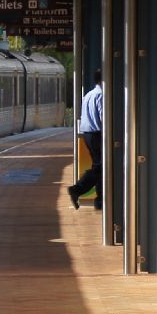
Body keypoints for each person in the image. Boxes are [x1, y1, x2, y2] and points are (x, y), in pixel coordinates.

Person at [67, 71, 104, 210]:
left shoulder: (88, 94)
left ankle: (100, 199)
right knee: (101, 166)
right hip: (97, 134)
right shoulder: (101, 95)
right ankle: (78, 189)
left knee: (100, 166)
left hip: (88, 134)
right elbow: (103, 117)